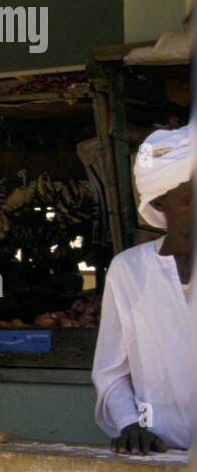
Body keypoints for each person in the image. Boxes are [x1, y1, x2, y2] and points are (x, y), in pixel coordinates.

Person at [92, 124, 192, 454]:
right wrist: (130, 424)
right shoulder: (128, 271)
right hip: (164, 455)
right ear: (161, 202)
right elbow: (111, 372)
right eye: (189, 200)